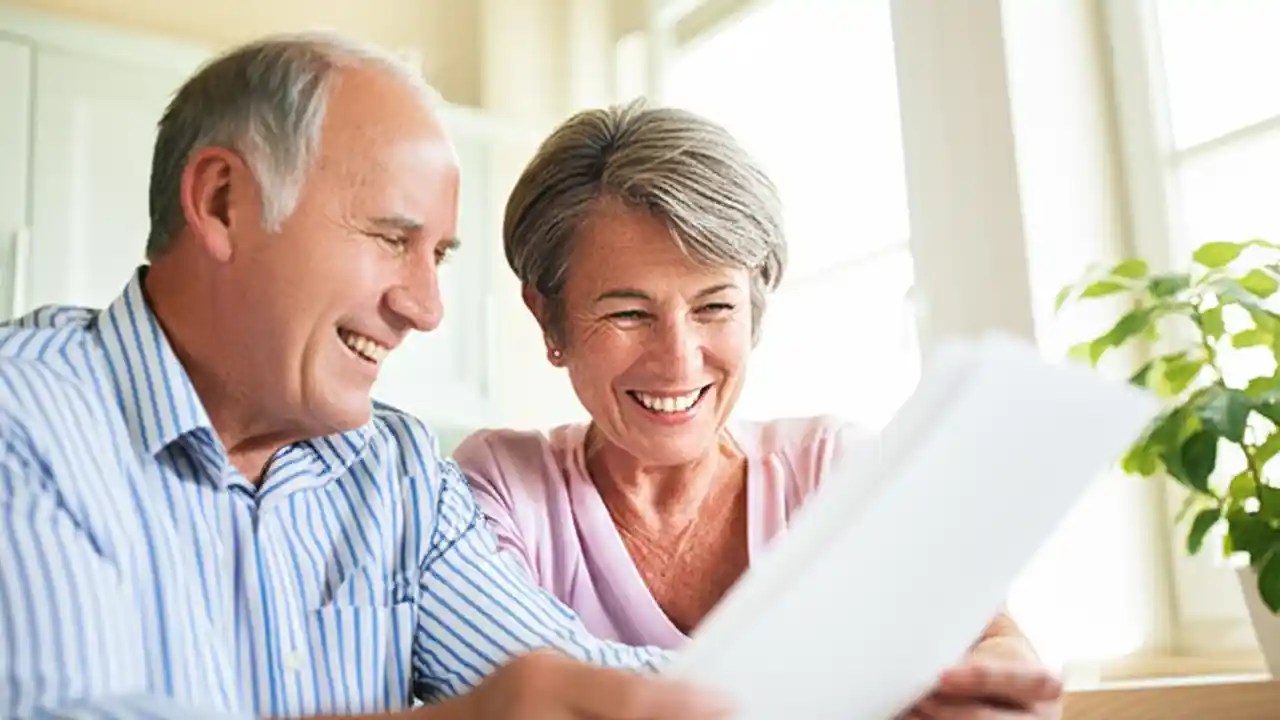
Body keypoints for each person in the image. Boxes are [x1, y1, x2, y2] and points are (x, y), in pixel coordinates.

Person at [0, 35, 734, 720]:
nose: (424, 307)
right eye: (391, 238)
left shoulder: (397, 472)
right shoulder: (25, 418)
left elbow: (586, 684)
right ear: (223, 202)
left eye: (437, 256)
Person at [453, 100, 1064, 720]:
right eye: (629, 313)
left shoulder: (831, 469)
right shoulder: (503, 488)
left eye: (714, 307)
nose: (678, 360)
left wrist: (1000, 684)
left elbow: (990, 638)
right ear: (548, 317)